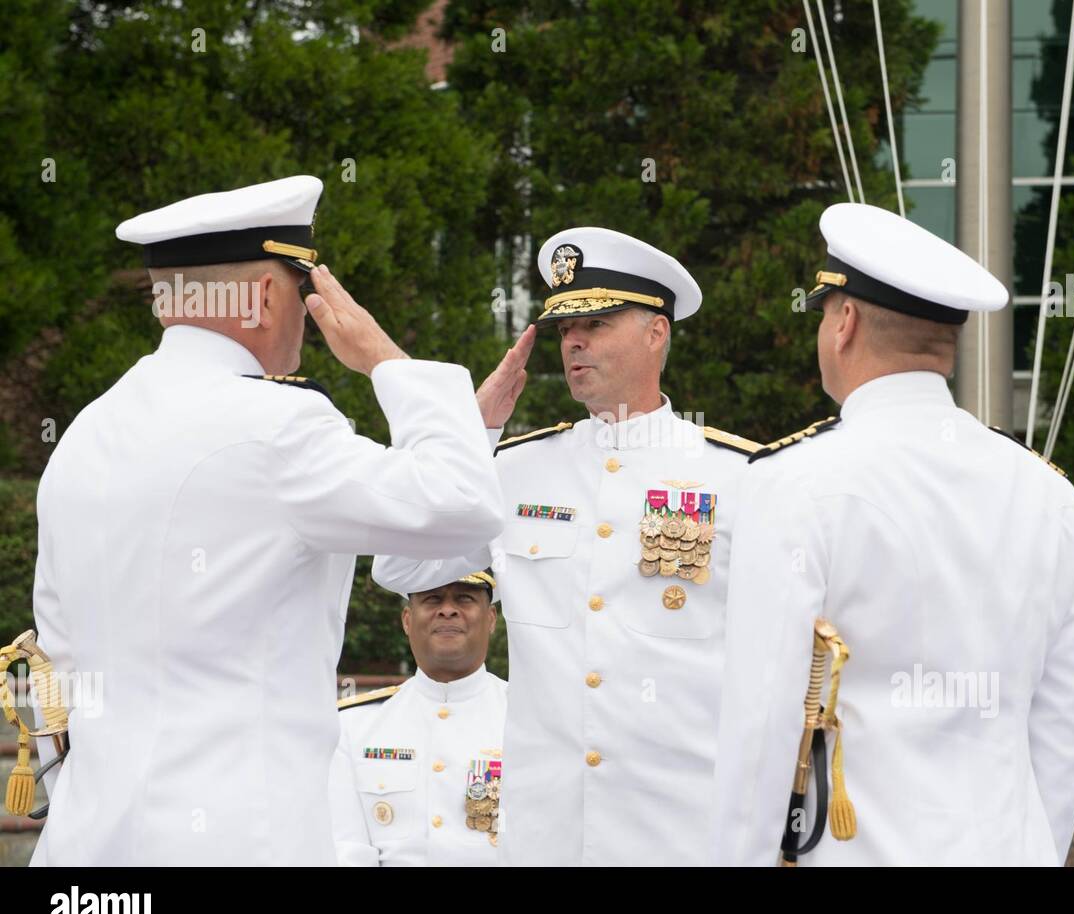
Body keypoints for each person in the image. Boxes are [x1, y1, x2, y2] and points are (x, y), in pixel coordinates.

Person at [29, 175, 504, 866]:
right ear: (264, 296)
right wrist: (385, 360)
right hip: (238, 842)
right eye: (304, 295)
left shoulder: (86, 433)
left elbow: (58, 669)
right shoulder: (277, 425)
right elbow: (463, 505)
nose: (311, 320)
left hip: (89, 847)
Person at [709, 203, 1074, 866]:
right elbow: (1067, 725)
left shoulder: (794, 484)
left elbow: (761, 729)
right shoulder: (1047, 493)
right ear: (945, 342)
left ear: (845, 323)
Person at [375, 227, 758, 866]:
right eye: (562, 329)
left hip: (680, 829)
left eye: (598, 323)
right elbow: (401, 565)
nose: (574, 342)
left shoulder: (736, 475)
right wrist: (472, 433)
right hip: (547, 831)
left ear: (656, 333)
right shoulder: (515, 467)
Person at [330, 560, 507, 866]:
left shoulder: (530, 720)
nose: (448, 610)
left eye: (465, 598)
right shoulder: (353, 727)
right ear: (407, 620)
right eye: (432, 598)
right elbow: (346, 851)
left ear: (491, 618)